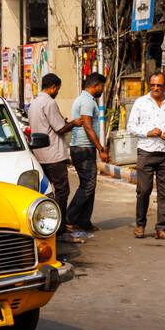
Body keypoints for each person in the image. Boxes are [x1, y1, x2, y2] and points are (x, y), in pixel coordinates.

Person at [127, 70, 165, 240]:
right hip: (146, 151)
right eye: (153, 85)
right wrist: (148, 132)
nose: (156, 88)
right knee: (143, 190)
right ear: (149, 85)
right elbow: (131, 127)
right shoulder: (140, 103)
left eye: (159, 85)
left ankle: (162, 228)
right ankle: (140, 224)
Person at [27, 73, 76, 236]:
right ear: (53, 87)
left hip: (39, 153)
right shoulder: (49, 102)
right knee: (62, 190)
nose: (57, 92)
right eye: (58, 89)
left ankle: (44, 222)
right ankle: (59, 224)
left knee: (45, 191)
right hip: (53, 154)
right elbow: (60, 128)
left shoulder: (34, 103)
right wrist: (74, 123)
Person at [67, 72, 109, 234]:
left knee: (89, 184)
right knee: (88, 185)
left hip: (84, 147)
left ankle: (84, 221)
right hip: (83, 148)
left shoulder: (86, 100)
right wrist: (100, 148)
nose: (102, 90)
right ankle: (70, 218)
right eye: (102, 87)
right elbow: (87, 126)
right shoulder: (86, 102)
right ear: (96, 85)